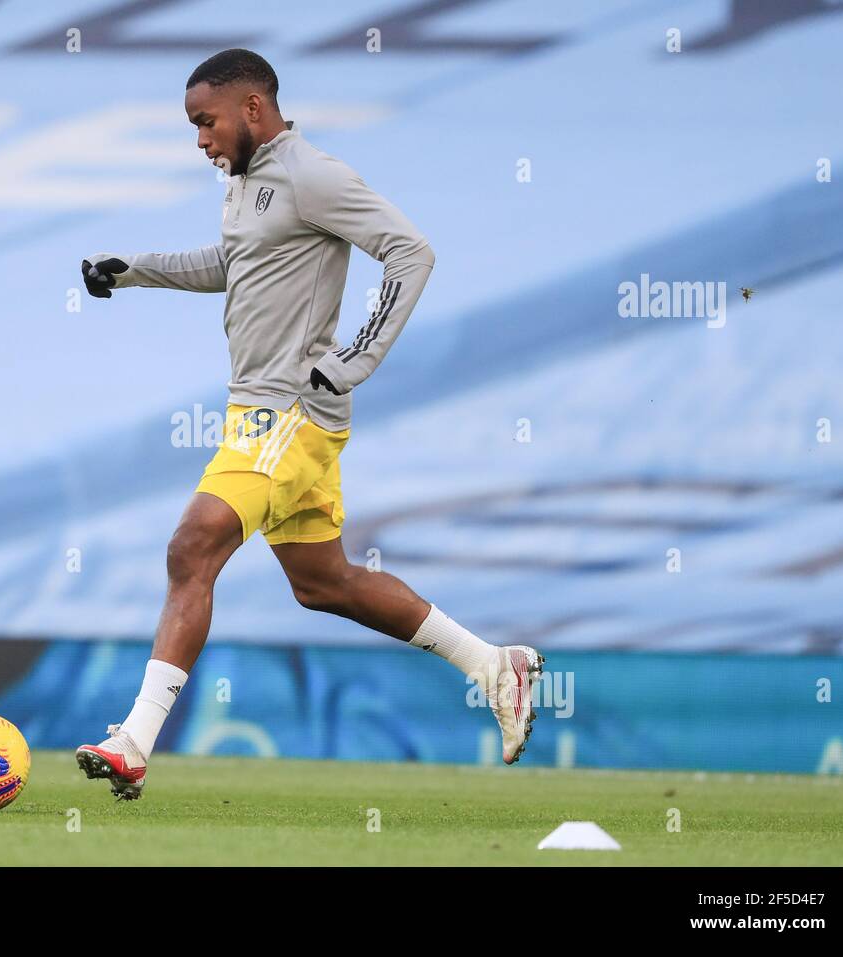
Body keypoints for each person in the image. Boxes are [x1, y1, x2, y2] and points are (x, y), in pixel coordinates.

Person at [77, 49, 542, 799]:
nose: (200, 139)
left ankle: (133, 740)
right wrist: (130, 268)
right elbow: (230, 264)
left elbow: (410, 253)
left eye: (207, 122)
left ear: (252, 109)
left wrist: (355, 358)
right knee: (325, 584)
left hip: (285, 410)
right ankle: (492, 664)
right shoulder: (246, 182)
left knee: (192, 546)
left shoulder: (312, 174)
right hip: (266, 414)